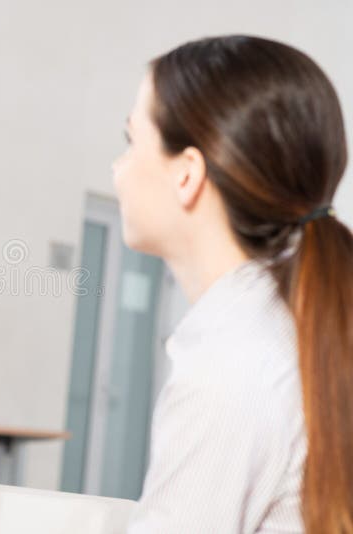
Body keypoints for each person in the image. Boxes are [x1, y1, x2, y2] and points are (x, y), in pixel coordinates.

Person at [114, 35, 353, 533]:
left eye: (132, 141)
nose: (119, 170)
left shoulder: (233, 367)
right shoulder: (287, 333)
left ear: (188, 174)